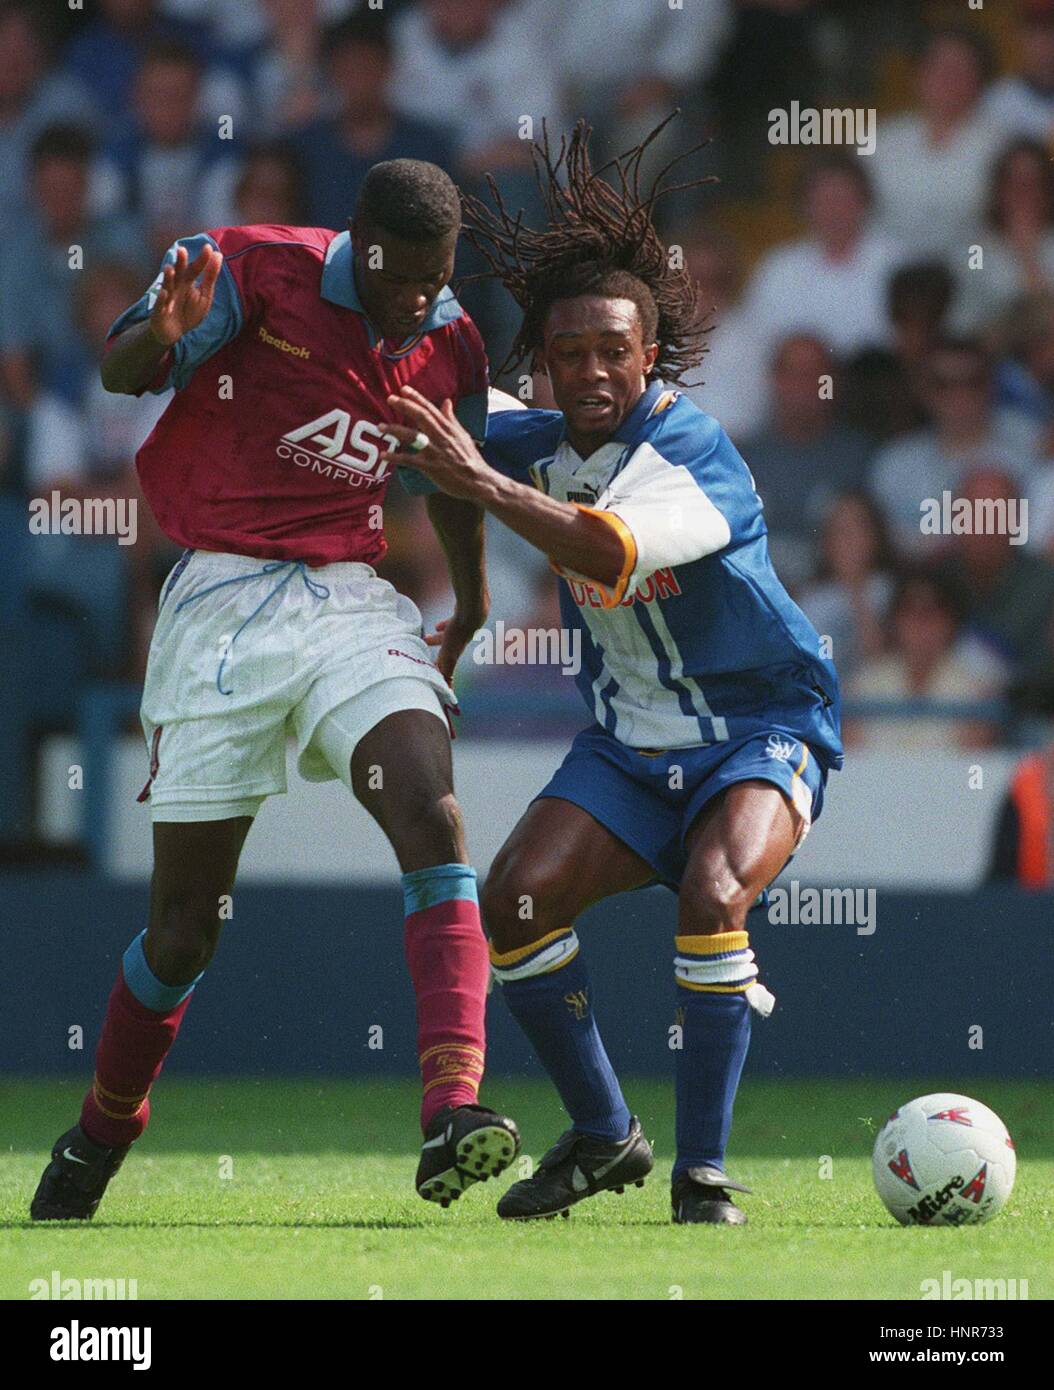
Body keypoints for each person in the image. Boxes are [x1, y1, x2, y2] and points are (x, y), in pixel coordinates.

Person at [30, 158, 520, 1223]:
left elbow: (454, 483)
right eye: (399, 283)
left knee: (432, 811)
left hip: (351, 597)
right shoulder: (250, 269)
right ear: (358, 243)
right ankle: (105, 1125)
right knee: (185, 930)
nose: (415, 304)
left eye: (435, 281)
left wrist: (471, 607)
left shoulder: (450, 339)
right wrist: (160, 334)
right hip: (218, 598)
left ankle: (452, 1107)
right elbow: (121, 374)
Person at [382, 123, 843, 1226]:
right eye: (568, 351)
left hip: (758, 726)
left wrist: (478, 487)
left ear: (652, 359)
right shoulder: (532, 438)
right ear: (542, 358)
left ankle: (703, 1173)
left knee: (714, 892)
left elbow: (605, 548)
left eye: (613, 351)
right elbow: (408, 399)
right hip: (629, 746)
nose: (590, 370)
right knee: (514, 899)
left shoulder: (697, 458)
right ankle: (602, 1135)